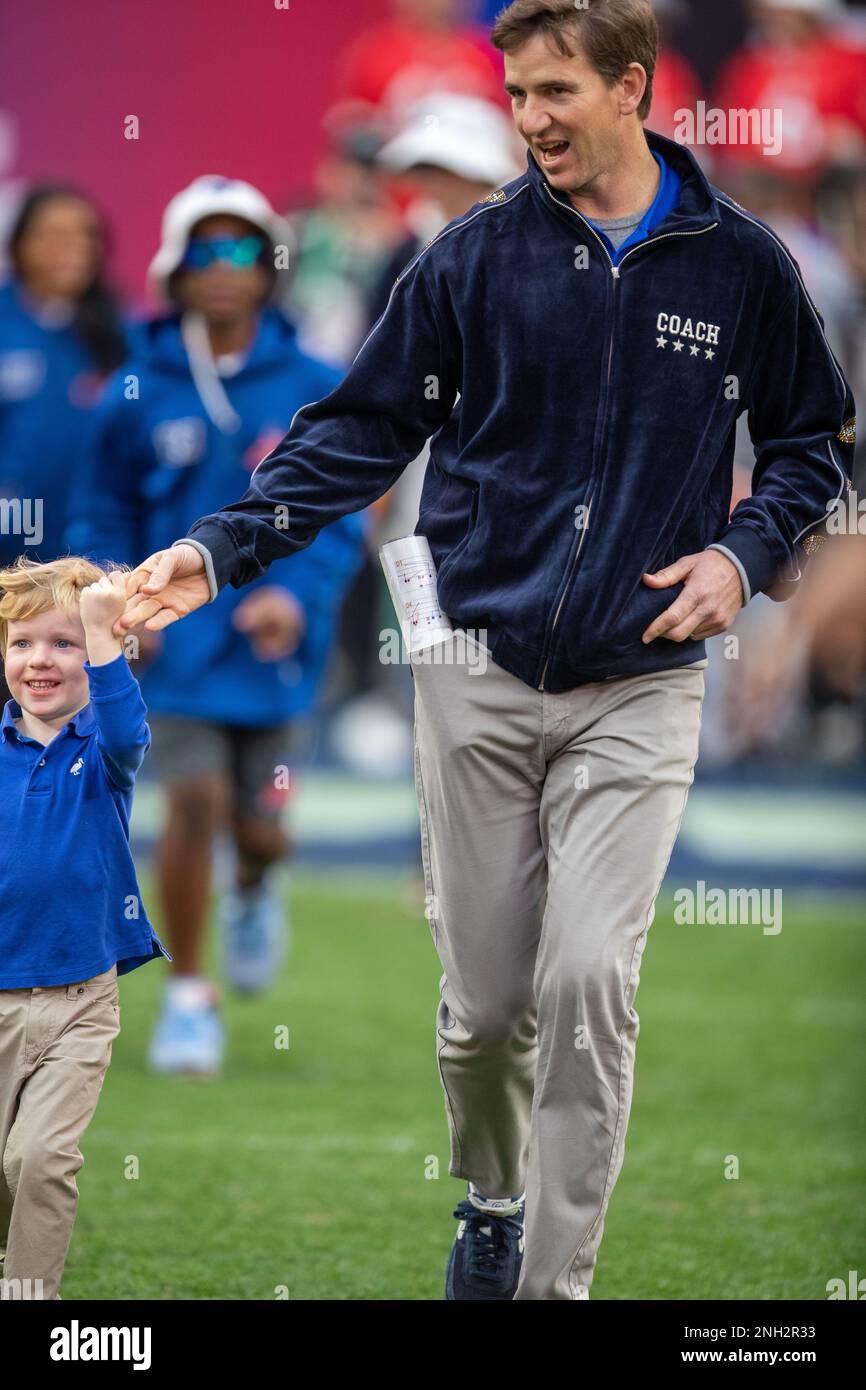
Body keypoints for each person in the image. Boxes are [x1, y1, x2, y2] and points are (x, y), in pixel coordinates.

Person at [116, 0, 856, 1299]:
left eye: (554, 92)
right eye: (515, 94)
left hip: (640, 681)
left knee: (586, 986)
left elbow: (812, 443)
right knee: (480, 1017)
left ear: (632, 87)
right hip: (473, 670)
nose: (530, 119)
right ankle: (493, 1193)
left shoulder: (738, 262)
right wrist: (214, 551)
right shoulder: (470, 256)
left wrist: (741, 555)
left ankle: (552, 1285)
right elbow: (358, 430)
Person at [68, 175, 367, 1077]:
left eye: (245, 250)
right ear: (176, 269)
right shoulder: (133, 380)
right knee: (191, 805)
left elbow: (342, 511)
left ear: (269, 267)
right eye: (207, 251)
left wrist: (297, 596)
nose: (226, 269)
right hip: (173, 639)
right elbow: (100, 508)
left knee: (264, 821)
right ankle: (190, 997)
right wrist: (118, 591)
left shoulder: (316, 380)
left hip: (275, 643)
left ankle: (256, 886)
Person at [0, 557, 169, 1300]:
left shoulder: (104, 748)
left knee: (38, 1160)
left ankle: (32, 1298)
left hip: (78, 1001)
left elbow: (127, 723)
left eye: (64, 644)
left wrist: (105, 630)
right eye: (22, 643)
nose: (40, 660)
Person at [0, 185, 127, 706]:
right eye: (52, 235)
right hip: (8, 567)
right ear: (19, 245)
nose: (70, 248)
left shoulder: (119, 337)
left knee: (72, 729)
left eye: (83, 235)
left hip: (85, 574)